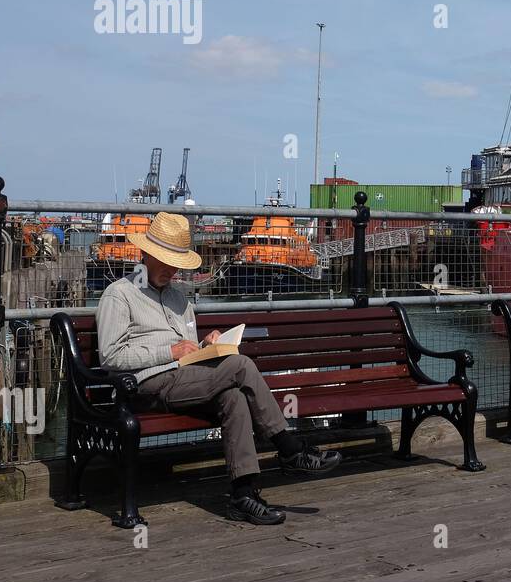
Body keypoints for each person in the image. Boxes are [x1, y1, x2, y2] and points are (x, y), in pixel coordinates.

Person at [96, 211, 341, 525]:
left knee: (233, 398)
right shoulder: (119, 295)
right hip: (146, 386)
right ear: (146, 254)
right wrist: (167, 350)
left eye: (176, 263)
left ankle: (243, 495)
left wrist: (205, 346)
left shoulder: (179, 299)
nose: (172, 270)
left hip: (184, 379)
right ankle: (289, 449)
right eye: (166, 261)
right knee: (240, 366)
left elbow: (188, 353)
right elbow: (112, 356)